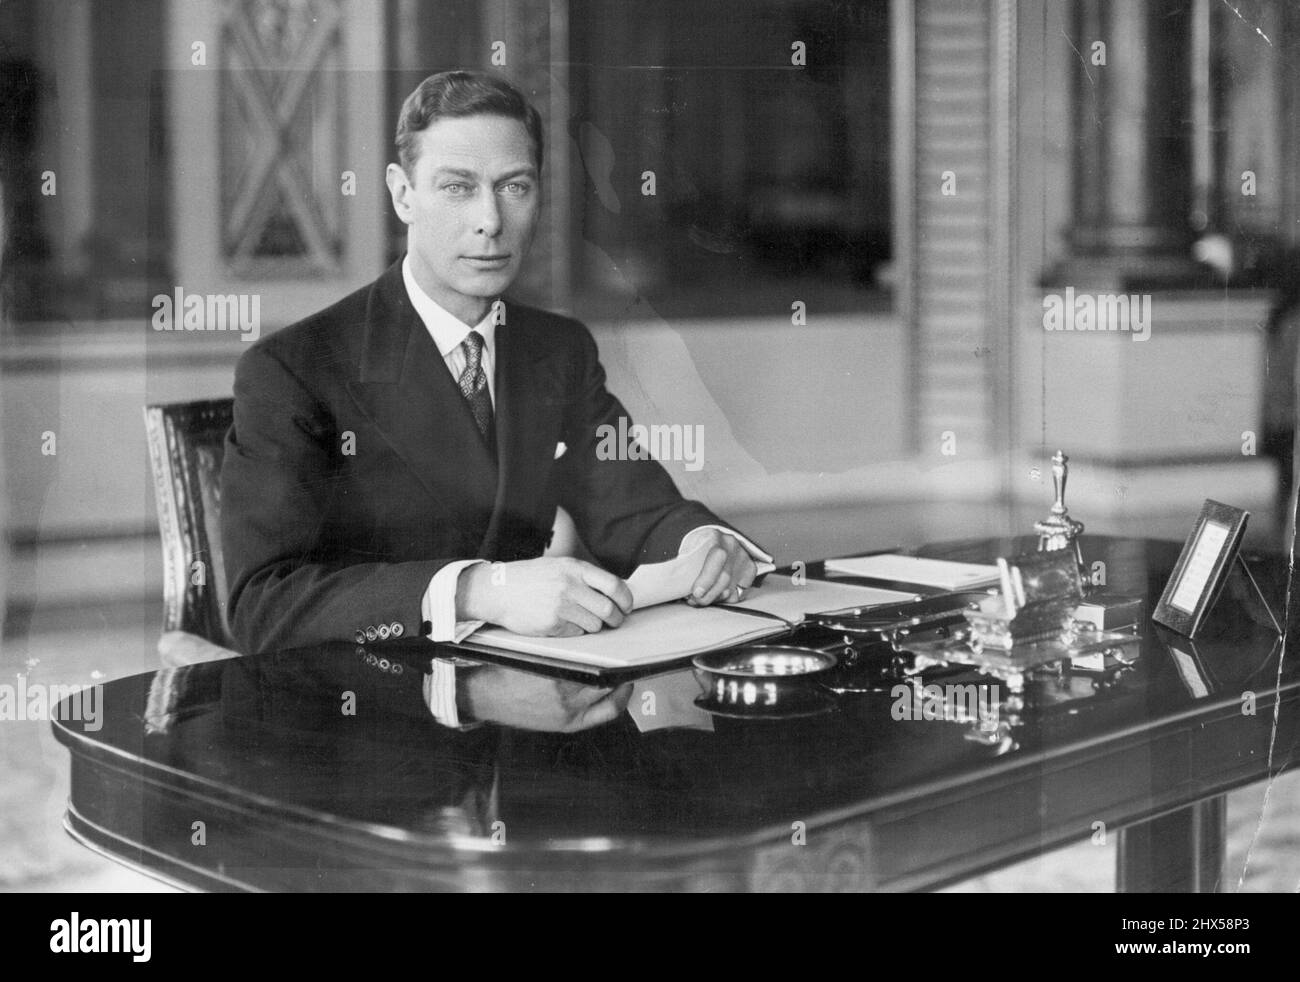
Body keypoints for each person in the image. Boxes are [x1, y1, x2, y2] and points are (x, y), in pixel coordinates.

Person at [220, 70, 770, 659]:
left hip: (528, 700)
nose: (491, 220)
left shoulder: (558, 350)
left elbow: (635, 508)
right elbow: (261, 604)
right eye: (458, 187)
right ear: (402, 194)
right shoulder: (295, 368)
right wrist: (478, 590)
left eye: (514, 186)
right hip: (368, 710)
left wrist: (707, 543)